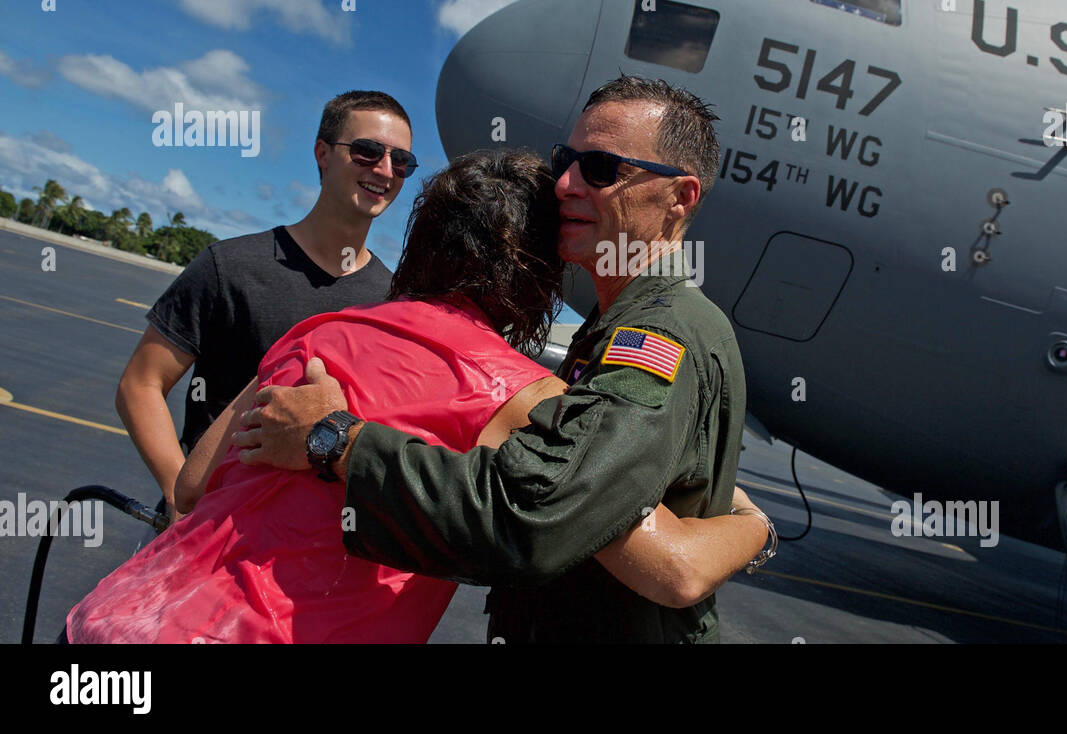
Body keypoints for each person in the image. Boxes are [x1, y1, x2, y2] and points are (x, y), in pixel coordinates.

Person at [66, 150, 767, 644]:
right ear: (532, 272)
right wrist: (748, 520)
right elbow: (662, 558)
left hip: (118, 618)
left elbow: (191, 485)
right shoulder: (524, 395)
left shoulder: (318, 332)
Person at [238, 75, 767, 643]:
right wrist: (750, 528)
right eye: (566, 160)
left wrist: (337, 442)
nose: (563, 183)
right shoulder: (615, 327)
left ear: (680, 197)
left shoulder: (660, 334)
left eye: (602, 169)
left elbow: (532, 513)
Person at [116, 90, 413, 521]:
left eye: (401, 160)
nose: (385, 170)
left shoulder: (393, 303)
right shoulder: (230, 266)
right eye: (367, 152)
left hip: (306, 548)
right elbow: (139, 385)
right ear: (323, 154)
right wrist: (181, 500)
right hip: (205, 530)